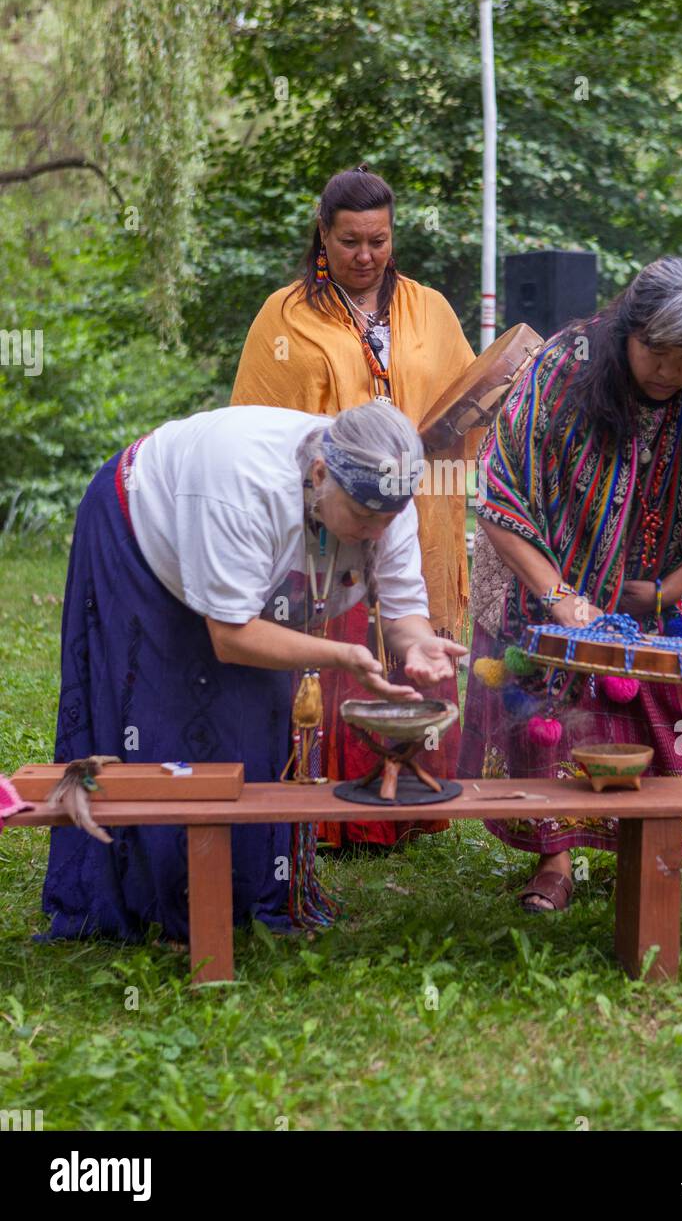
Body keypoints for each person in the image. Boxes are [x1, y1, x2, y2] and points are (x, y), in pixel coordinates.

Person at [41, 400, 465, 942]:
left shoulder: (383, 496)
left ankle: (245, 898)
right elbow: (232, 635)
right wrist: (340, 655)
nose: (376, 535)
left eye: (387, 520)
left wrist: (420, 644)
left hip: (235, 574)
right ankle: (144, 904)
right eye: (362, 519)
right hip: (140, 532)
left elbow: (404, 606)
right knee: (157, 717)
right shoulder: (241, 488)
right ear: (319, 475)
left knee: (252, 719)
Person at [460, 257, 682, 911]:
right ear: (625, 330)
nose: (667, 371)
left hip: (659, 578)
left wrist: (670, 588)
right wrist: (566, 601)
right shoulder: (561, 368)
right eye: (654, 351)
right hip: (549, 573)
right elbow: (499, 492)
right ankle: (556, 857)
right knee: (549, 705)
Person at [231, 164, 478, 849]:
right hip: (328, 522)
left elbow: (464, 400)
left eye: (379, 240)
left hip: (419, 506)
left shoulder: (429, 309)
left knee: (410, 622)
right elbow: (257, 430)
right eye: (350, 242)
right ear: (323, 235)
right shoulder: (284, 318)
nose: (366, 256)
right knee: (338, 647)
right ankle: (333, 811)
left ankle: (407, 801)